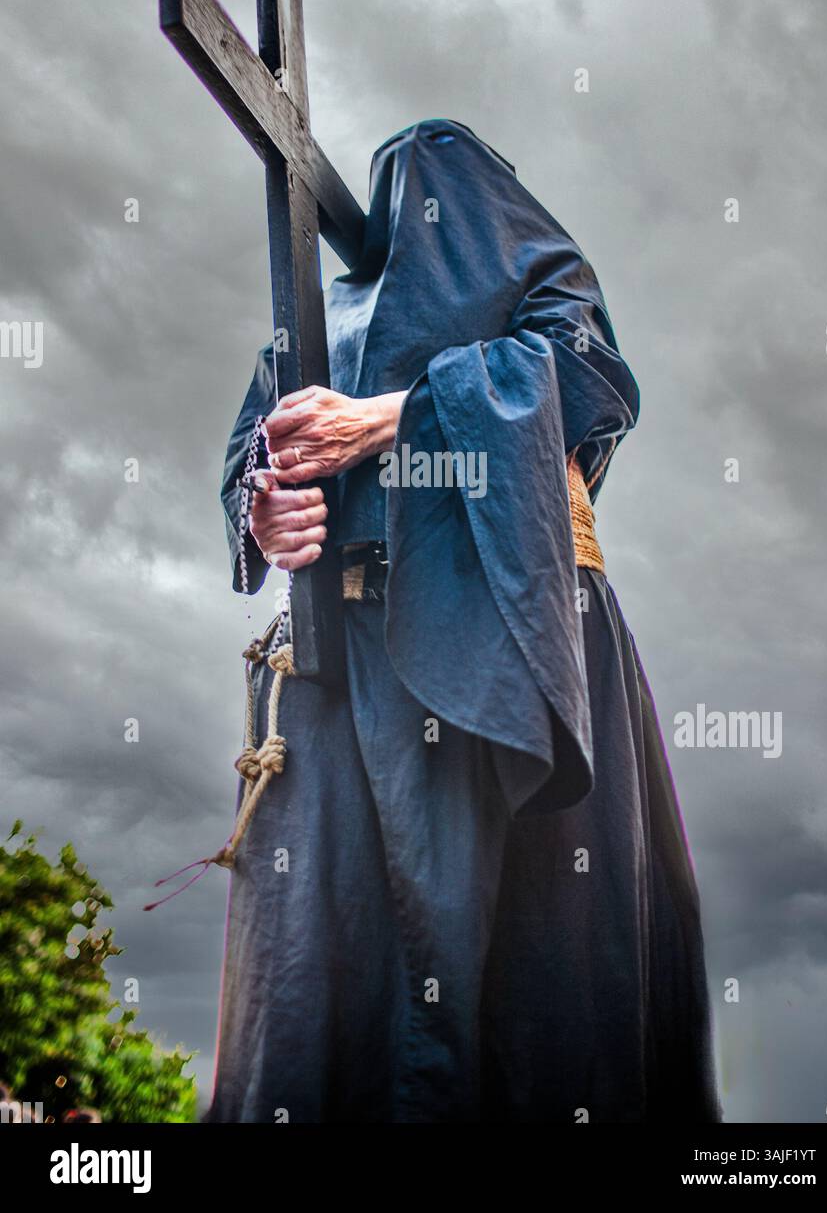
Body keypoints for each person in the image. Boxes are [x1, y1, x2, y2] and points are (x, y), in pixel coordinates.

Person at [204, 119, 721, 1123]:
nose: (422, 192)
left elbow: (585, 377)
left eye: (449, 170)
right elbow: (251, 459)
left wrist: (392, 416)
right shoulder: (311, 324)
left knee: (541, 968)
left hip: (514, 643)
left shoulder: (542, 290)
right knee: (329, 975)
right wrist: (266, 507)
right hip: (334, 674)